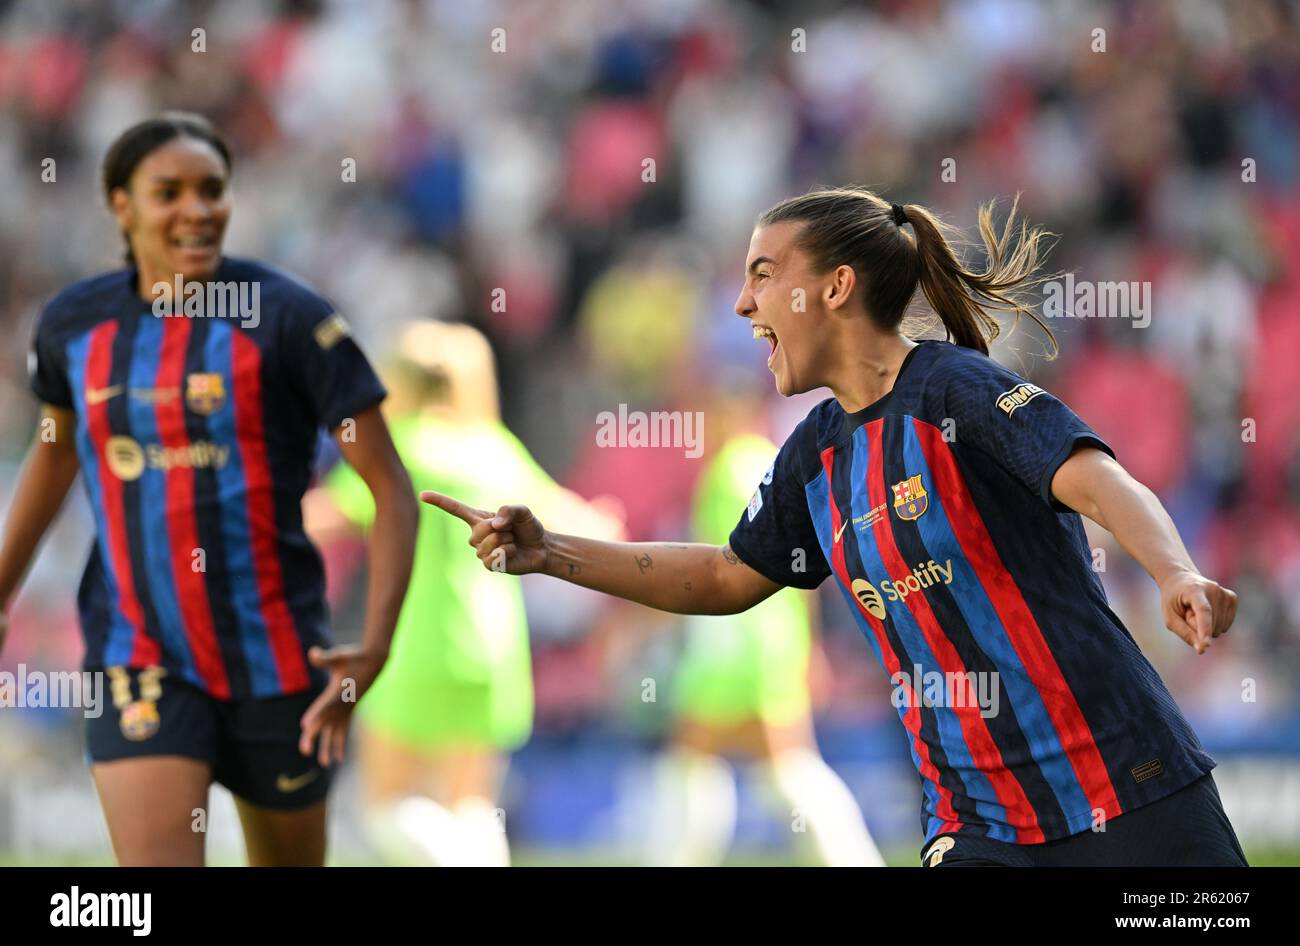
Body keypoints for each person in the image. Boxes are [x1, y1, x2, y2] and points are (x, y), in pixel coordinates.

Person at [423, 187, 1247, 867]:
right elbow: (722, 576)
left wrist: (1173, 572)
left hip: (1128, 782)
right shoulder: (815, 455)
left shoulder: (957, 395)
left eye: (762, 274)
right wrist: (549, 553)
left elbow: (1098, 480)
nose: (744, 303)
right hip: (979, 825)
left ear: (836, 288)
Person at [0, 113, 418, 866]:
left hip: (282, 661)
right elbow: (56, 453)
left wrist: (375, 646)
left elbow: (390, 487)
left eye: (212, 190)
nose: (197, 210)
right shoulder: (74, 326)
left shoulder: (290, 320)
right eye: (169, 192)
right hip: (138, 653)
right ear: (121, 206)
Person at [305, 319, 621, 866]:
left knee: (382, 806)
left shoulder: (399, 447)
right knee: (472, 807)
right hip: (493, 652)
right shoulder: (491, 447)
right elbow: (574, 522)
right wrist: (608, 522)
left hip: (413, 649)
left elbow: (325, 519)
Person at [646, 391, 885, 866]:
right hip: (774, 642)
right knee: (769, 763)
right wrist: (809, 647)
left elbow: (714, 569)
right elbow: (802, 569)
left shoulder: (727, 471)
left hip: (731, 645)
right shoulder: (774, 462)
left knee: (707, 760)